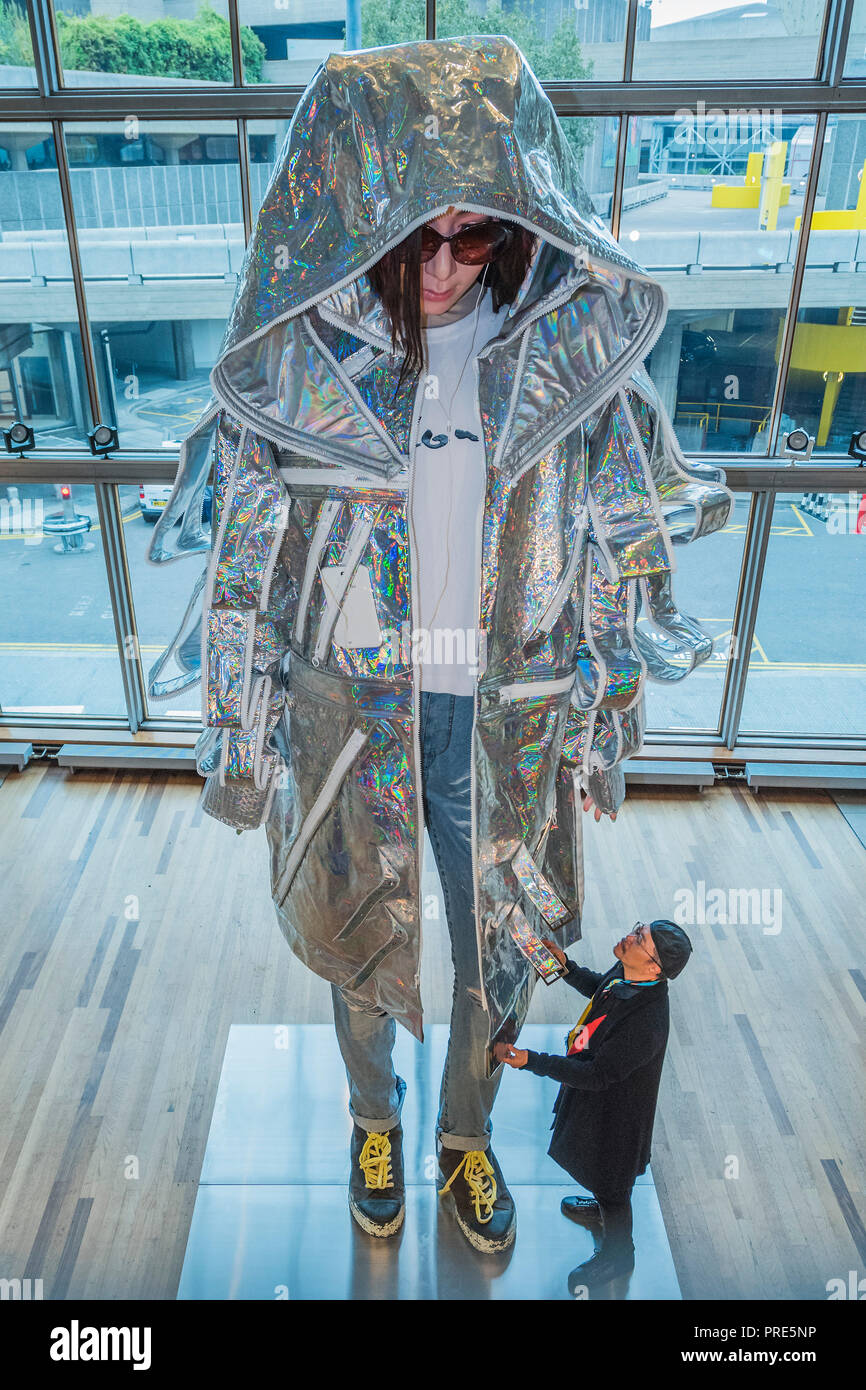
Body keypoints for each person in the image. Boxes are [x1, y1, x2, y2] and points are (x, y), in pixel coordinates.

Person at [145, 37, 731, 1258]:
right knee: (360, 920)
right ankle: (373, 1115)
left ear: (515, 227)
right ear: (370, 218)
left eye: (478, 236)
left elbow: (609, 562)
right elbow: (243, 574)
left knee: (497, 943)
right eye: (424, 237)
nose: (450, 266)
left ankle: (464, 1139)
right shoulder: (301, 370)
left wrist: (607, 716)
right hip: (351, 711)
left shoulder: (567, 370)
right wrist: (238, 742)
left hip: (504, 711)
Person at [495, 919, 693, 1292]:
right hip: (597, 1101)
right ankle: (601, 1205)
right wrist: (565, 967)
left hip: (617, 1119)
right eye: (638, 928)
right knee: (600, 1175)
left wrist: (532, 1061)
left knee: (614, 1189)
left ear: (655, 967)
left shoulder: (647, 1022)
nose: (628, 936)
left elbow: (598, 1076)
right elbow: (600, 988)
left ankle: (618, 1254)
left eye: (639, 939)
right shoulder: (629, 975)